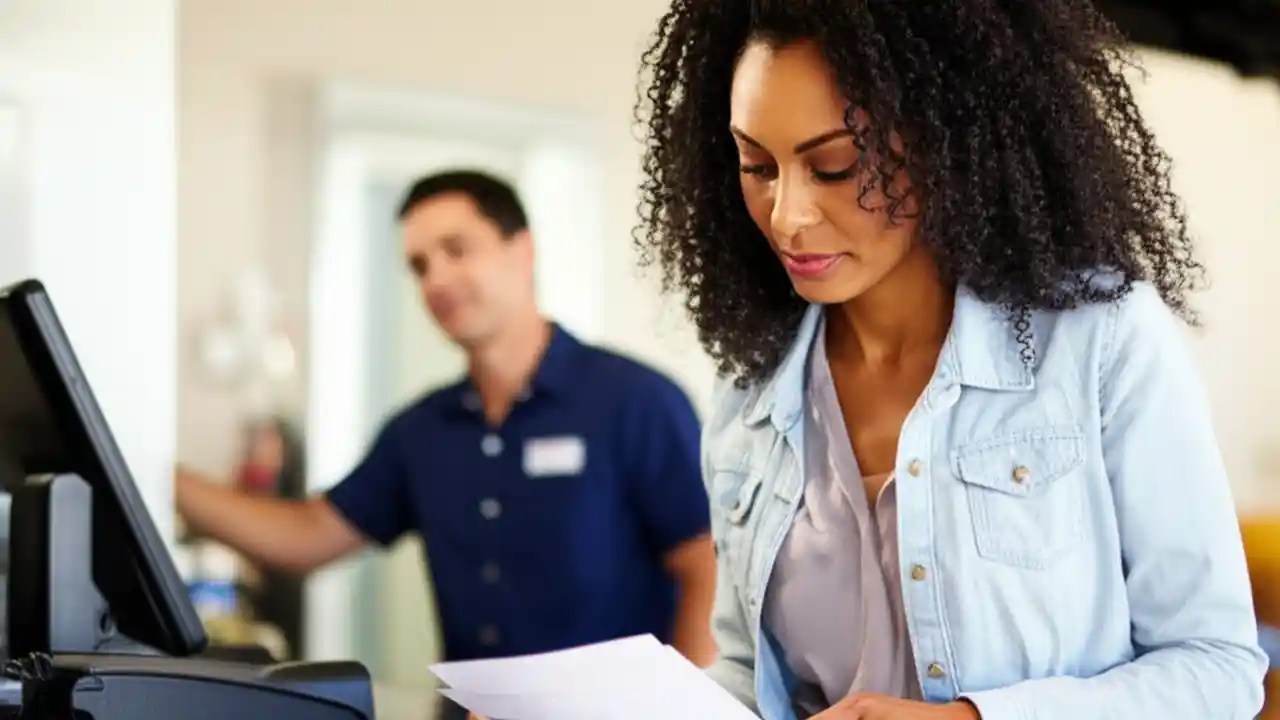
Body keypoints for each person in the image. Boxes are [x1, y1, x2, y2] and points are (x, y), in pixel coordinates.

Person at [634, 1, 1266, 719]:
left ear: (947, 142)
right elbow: (752, 677)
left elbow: (1215, 667)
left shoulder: (1099, 337)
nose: (787, 215)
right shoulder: (753, 385)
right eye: (757, 166)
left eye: (835, 167)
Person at [177, 170, 717, 719]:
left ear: (522, 250)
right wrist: (155, 477)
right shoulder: (422, 431)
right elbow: (306, 536)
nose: (435, 279)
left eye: (456, 250)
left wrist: (684, 710)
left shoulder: (634, 401)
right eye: (419, 265)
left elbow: (707, 566)